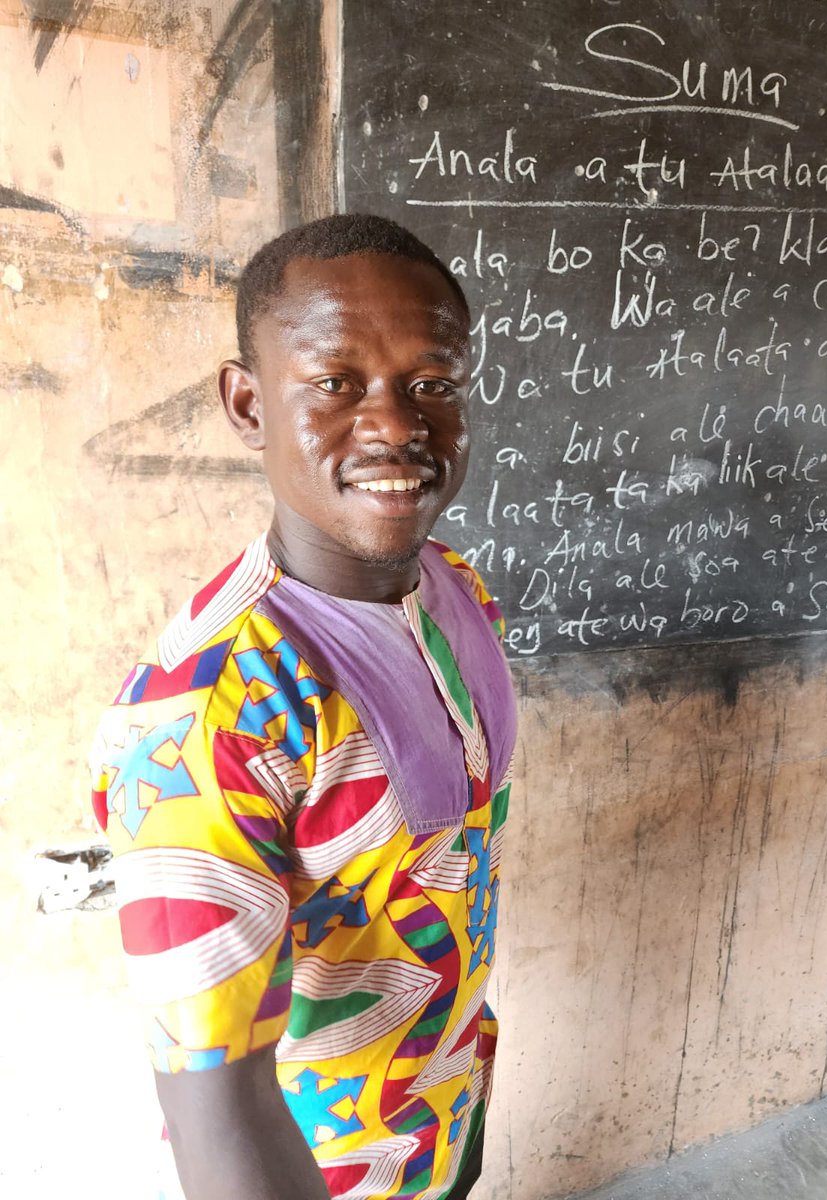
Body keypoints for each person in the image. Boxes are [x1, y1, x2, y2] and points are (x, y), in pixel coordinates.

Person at [90, 213, 517, 1200]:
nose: (398, 424)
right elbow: (216, 1096)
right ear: (248, 407)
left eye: (432, 384)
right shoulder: (209, 717)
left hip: (445, 1113)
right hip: (325, 1171)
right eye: (336, 383)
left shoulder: (457, 592)